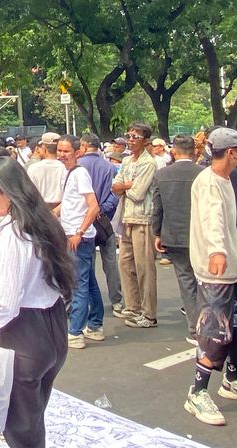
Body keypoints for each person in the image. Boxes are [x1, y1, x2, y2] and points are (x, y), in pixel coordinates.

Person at [0, 158, 73, 448]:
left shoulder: (15, 232)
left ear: (7, 193)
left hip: (24, 336)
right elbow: (36, 276)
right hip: (53, 329)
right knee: (32, 418)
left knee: (21, 431)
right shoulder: (43, 222)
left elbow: (5, 304)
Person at [184, 127, 237, 426]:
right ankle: (196, 392)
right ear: (232, 152)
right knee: (216, 335)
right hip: (215, 271)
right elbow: (213, 221)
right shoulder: (208, 182)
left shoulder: (225, 179)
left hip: (233, 269)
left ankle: (232, 381)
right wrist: (217, 251)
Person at [151, 134, 201, 344]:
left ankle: (195, 327)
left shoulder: (163, 174)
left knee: (186, 281)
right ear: (194, 151)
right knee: (205, 281)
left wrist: (157, 232)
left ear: (173, 150)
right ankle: (211, 323)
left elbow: (157, 206)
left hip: (174, 234)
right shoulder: (204, 173)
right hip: (201, 234)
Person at [55, 136, 104, 347]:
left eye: (66, 151)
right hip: (75, 234)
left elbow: (93, 206)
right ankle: (95, 325)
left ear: (78, 152)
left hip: (78, 237)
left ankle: (75, 331)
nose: (61, 154)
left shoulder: (80, 173)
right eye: (59, 150)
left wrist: (79, 232)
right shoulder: (70, 173)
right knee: (88, 282)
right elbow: (66, 204)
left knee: (78, 284)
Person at [112, 122, 158, 328]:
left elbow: (139, 194)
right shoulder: (127, 161)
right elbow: (115, 186)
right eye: (129, 136)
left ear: (145, 140)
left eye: (135, 137)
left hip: (143, 219)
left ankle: (149, 314)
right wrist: (126, 185)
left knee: (144, 267)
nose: (130, 140)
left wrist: (126, 186)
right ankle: (133, 306)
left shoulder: (149, 163)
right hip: (126, 218)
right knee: (125, 264)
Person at [77, 133, 123, 317]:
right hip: (104, 221)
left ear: (84, 145)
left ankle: (89, 301)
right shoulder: (110, 167)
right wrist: (104, 210)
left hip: (84, 220)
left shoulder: (77, 168)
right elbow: (116, 193)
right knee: (110, 262)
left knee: (87, 264)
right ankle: (117, 300)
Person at [26, 140, 65, 210]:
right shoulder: (65, 168)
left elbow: (30, 194)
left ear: (44, 149)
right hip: (62, 211)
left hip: (40, 211)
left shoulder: (33, 168)